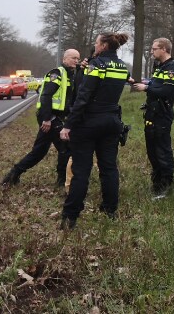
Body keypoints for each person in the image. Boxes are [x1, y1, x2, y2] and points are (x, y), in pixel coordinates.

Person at [59, 32, 130, 230]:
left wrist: (68, 124)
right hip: (112, 122)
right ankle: (110, 211)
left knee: (81, 171)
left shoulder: (95, 65)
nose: (94, 45)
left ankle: (70, 216)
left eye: (97, 43)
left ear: (104, 46)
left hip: (89, 122)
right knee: (109, 169)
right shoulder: (122, 66)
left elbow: (83, 96)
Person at [1, 49, 81, 188]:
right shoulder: (56, 74)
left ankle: (14, 174)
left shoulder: (72, 76)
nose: (76, 60)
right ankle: (61, 181)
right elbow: (46, 96)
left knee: (39, 151)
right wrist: (47, 118)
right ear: (64, 59)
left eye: (78, 58)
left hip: (57, 117)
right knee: (66, 148)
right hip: (50, 117)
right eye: (73, 58)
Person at [133, 37, 174, 199]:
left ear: (164, 49)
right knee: (152, 152)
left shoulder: (172, 68)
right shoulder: (159, 67)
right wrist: (143, 84)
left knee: (162, 152)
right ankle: (156, 184)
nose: (152, 51)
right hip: (151, 114)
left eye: (154, 49)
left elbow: (166, 92)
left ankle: (166, 187)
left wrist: (146, 88)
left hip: (162, 115)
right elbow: (156, 85)